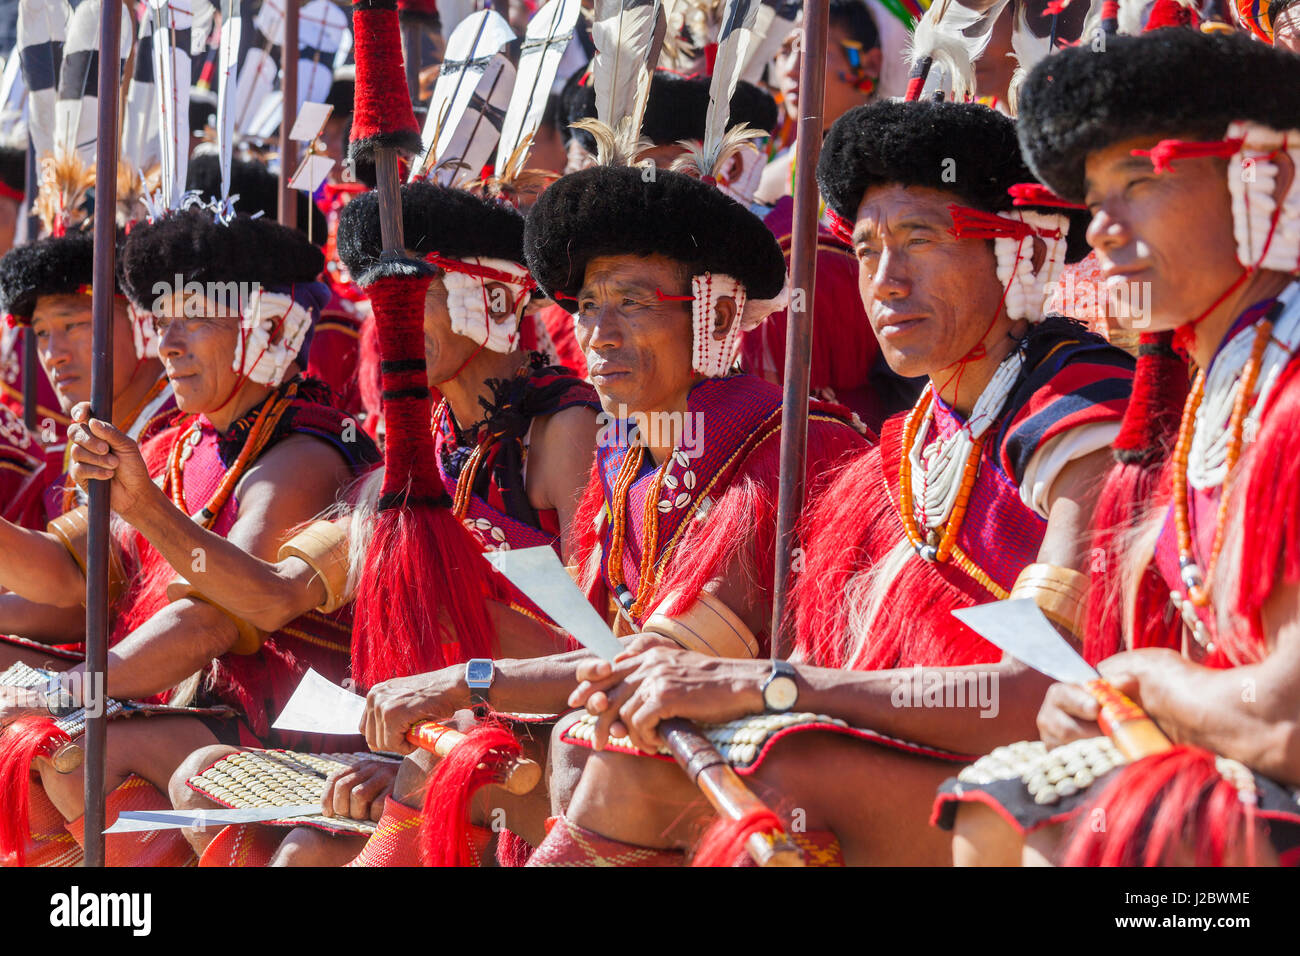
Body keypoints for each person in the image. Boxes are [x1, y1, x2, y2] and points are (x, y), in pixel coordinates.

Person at [533, 99, 1136, 867]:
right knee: (594, 743)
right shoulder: (920, 432)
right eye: (869, 248)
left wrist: (777, 687)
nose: (884, 281)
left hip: (1064, 788)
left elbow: (1034, 695)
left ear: (1023, 254)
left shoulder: (1083, 410)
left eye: (921, 238)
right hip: (925, 762)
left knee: (729, 769)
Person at [936, 27, 1300, 868]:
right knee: (1001, 806)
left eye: (1139, 181)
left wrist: (1140, 680)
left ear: (1265, 177)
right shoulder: (1229, 377)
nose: (1100, 230)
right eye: (1094, 200)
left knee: (1044, 825)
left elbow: (1283, 719)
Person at [0, 209, 380, 866]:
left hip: (293, 732)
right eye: (164, 319)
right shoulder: (180, 445)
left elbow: (210, 621)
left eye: (194, 317)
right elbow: (68, 575)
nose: (168, 342)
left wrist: (76, 688)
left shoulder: (303, 454)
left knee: (71, 752)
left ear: (268, 331)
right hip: (200, 714)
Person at [0, 230, 179, 661]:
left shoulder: (174, 426)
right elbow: (84, 604)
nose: (53, 353)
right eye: (42, 333)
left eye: (73, 325)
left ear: (138, 320)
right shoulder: (96, 425)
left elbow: (74, 579)